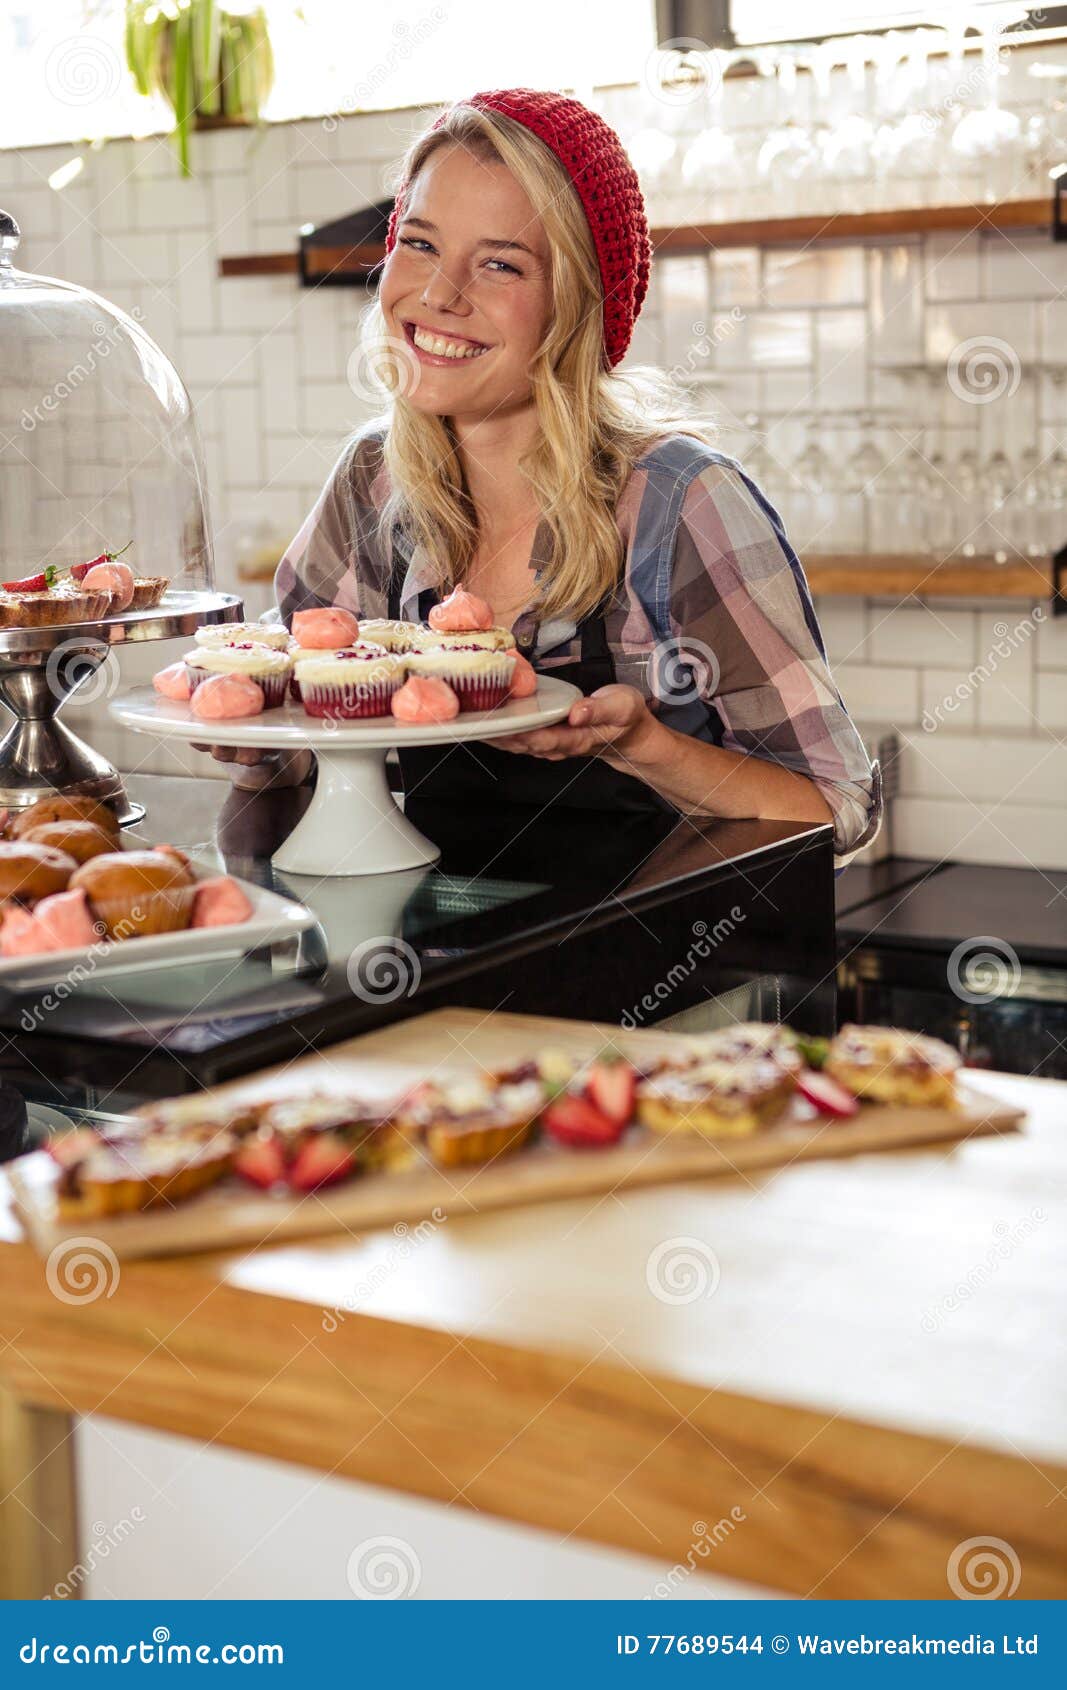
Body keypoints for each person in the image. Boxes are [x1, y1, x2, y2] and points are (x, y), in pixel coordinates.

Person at [218, 88, 879, 855]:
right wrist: (252, 734)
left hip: (670, 962)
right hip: (442, 955)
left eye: (500, 264)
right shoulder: (374, 477)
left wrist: (642, 747)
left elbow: (835, 807)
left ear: (576, 307)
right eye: (422, 244)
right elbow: (297, 749)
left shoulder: (676, 500)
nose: (437, 295)